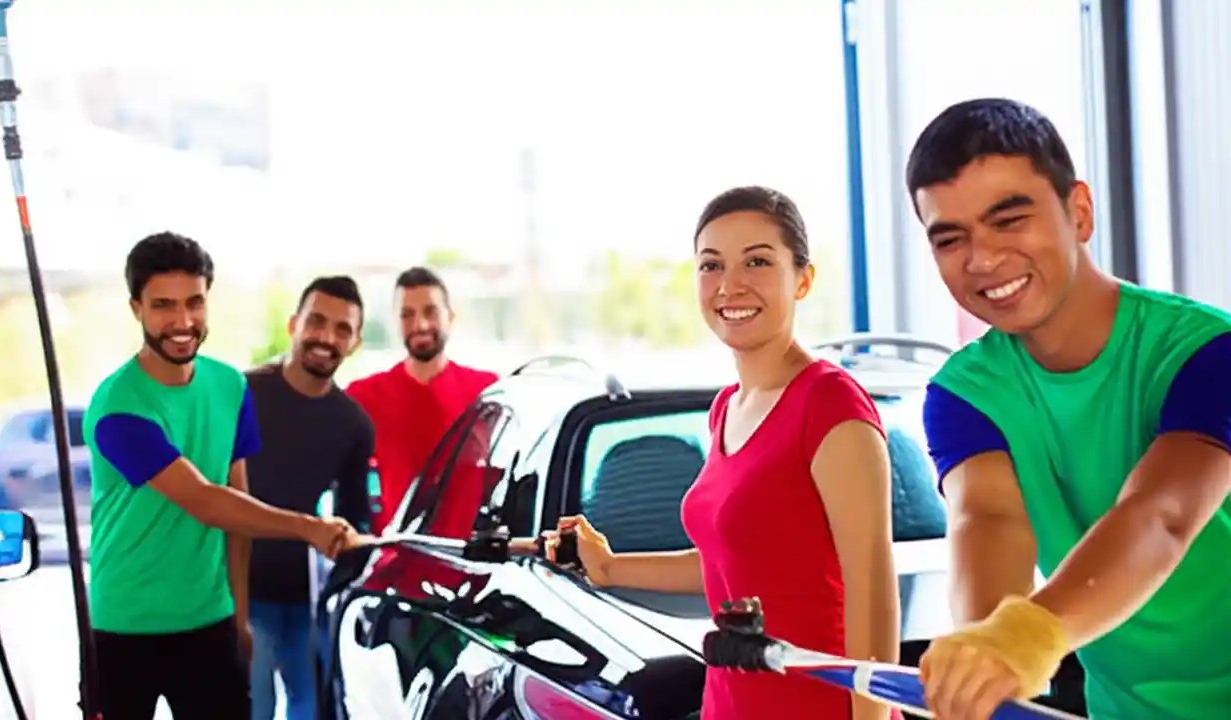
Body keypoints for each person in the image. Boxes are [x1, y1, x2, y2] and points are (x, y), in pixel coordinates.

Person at [906, 98, 1231, 719]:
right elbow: (988, 521)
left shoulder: (1207, 351)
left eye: (1009, 219)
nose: (982, 259)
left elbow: (1163, 513)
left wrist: (1027, 639)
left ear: (1078, 211)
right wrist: (982, 660)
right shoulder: (965, 394)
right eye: (951, 238)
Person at [549, 187, 901, 720]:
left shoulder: (829, 402)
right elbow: (729, 563)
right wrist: (610, 566)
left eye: (757, 261)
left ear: (803, 279)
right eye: (711, 266)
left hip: (818, 706)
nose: (730, 285)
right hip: (731, 703)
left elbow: (871, 585)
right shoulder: (725, 410)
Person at [84, 232, 361, 720]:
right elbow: (205, 500)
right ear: (136, 309)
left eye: (195, 302)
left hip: (208, 622)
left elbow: (237, 504)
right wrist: (308, 527)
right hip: (123, 627)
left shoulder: (229, 385)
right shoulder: (118, 406)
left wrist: (238, 613)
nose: (183, 322)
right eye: (163, 305)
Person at [243, 275, 374, 720]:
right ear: (293, 324)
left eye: (343, 329)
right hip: (239, 592)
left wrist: (348, 590)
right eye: (317, 322)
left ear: (354, 343)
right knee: (250, 709)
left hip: (308, 599)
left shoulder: (353, 424)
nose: (327, 337)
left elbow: (355, 519)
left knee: (314, 709)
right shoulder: (243, 394)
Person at [346, 266, 499, 534]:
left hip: (471, 563)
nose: (420, 325)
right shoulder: (364, 395)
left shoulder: (487, 391)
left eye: (430, 312)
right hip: (394, 559)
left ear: (450, 316)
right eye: (407, 315)